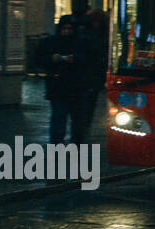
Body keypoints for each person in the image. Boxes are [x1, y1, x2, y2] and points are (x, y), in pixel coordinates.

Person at [36, 16, 89, 144]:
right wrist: (51, 59)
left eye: (69, 28)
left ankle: (73, 143)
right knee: (59, 118)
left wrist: (75, 59)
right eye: (64, 28)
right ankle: (57, 143)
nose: (66, 31)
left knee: (75, 120)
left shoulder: (81, 42)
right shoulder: (50, 42)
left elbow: (90, 60)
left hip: (75, 87)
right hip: (59, 87)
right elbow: (38, 59)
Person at [75, 9, 109, 144]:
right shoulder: (95, 36)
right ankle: (82, 129)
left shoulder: (88, 34)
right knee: (86, 105)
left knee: (88, 105)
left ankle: (83, 128)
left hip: (92, 75)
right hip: (90, 74)